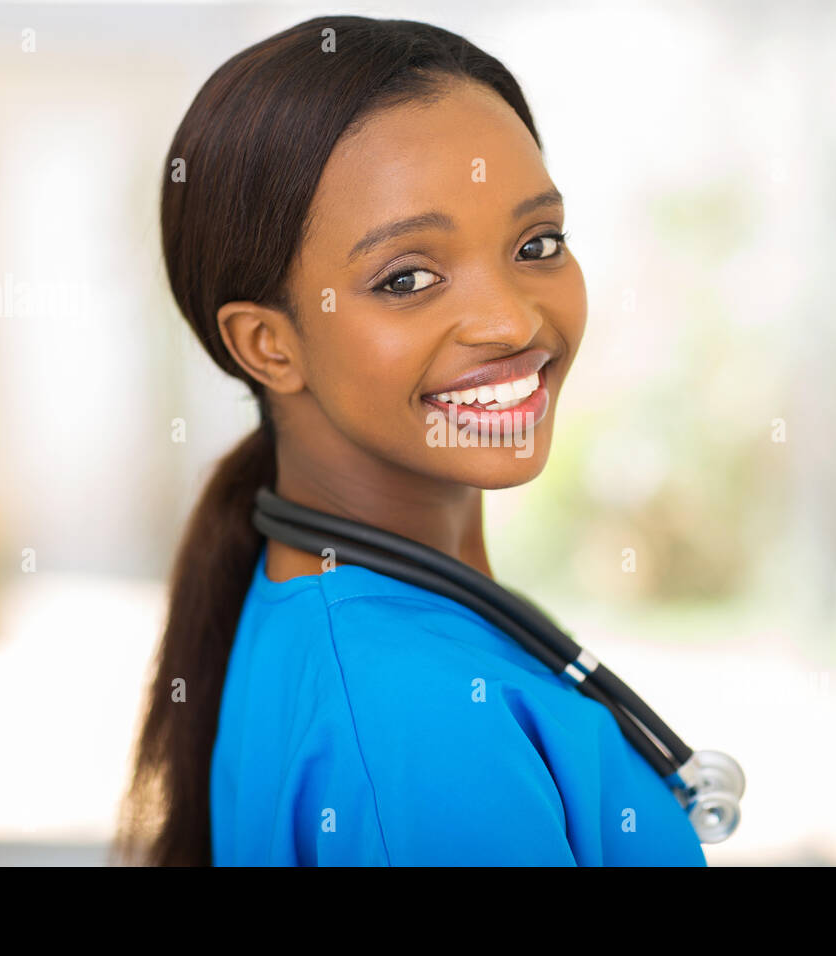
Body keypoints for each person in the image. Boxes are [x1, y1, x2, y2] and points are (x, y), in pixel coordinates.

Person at [115, 14, 707, 867]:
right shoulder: (420, 720)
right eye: (408, 278)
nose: (510, 319)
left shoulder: (329, 612)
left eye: (536, 244)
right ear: (268, 344)